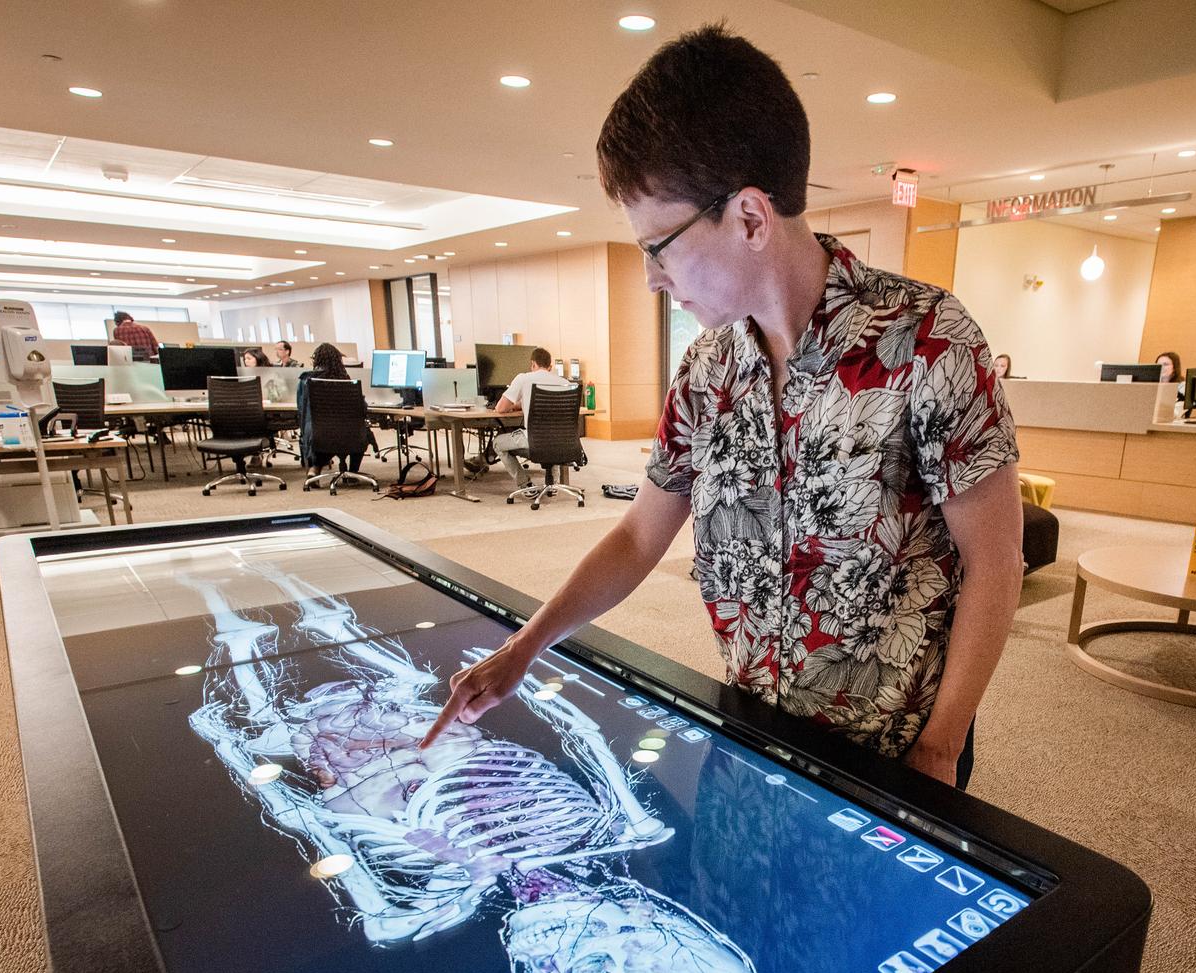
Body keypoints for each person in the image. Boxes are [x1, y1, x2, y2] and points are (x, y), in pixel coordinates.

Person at [424, 24, 1023, 791]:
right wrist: (525, 647)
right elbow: (640, 537)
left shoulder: (930, 341)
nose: (652, 278)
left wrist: (938, 753)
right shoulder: (707, 368)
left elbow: (996, 561)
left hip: (893, 756)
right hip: (747, 729)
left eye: (657, 246)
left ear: (749, 218)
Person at [491, 347, 575, 488]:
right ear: (550, 367)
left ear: (533, 364)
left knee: (498, 442)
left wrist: (513, 405)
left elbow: (501, 408)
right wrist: (521, 404)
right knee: (551, 438)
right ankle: (553, 484)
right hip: (563, 441)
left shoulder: (524, 378)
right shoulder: (565, 383)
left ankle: (525, 484)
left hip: (535, 440)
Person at [296, 343, 366, 478]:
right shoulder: (345, 380)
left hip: (318, 431)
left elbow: (301, 409)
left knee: (324, 436)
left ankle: (314, 469)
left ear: (316, 360)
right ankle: (353, 472)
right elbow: (361, 407)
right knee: (364, 432)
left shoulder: (307, 380)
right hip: (350, 432)